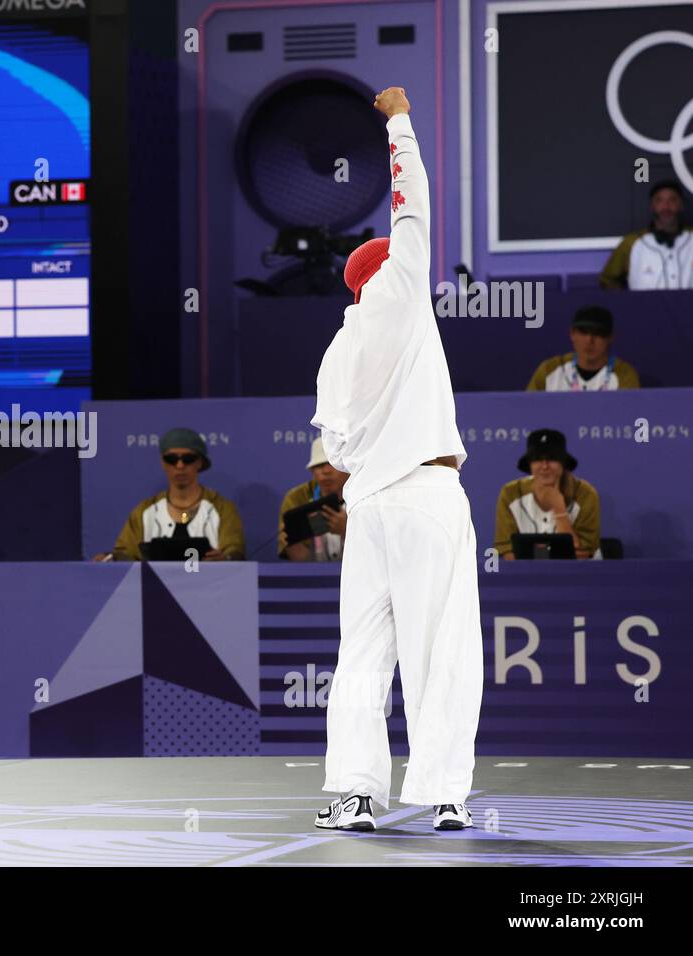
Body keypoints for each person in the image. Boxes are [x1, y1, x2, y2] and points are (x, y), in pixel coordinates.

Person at [310, 87, 481, 832]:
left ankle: (351, 796)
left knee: (362, 654)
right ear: (385, 267)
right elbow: (412, 205)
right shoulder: (405, 288)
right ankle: (443, 795)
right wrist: (401, 120)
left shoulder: (334, 353)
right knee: (441, 645)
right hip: (427, 495)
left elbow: (335, 452)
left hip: (369, 509)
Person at [94, 427, 245, 562]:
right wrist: (111, 558)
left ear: (199, 462)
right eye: (171, 459)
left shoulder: (223, 509)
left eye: (188, 459)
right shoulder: (144, 512)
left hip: (210, 589)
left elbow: (235, 551)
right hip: (154, 591)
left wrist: (226, 559)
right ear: (163, 462)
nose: (180, 465)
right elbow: (126, 554)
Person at [494, 429, 600, 561]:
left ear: (563, 463)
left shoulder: (586, 494)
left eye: (552, 458)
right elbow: (507, 554)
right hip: (526, 577)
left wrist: (559, 510)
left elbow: (583, 556)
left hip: (579, 577)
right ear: (530, 465)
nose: (544, 466)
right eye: (537, 459)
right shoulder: (510, 494)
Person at [599, 180, 693, 290]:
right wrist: (628, 304)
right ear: (652, 206)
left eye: (672, 200)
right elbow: (607, 280)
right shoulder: (631, 243)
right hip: (645, 307)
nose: (666, 207)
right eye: (659, 201)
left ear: (681, 205)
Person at [525, 306, 639, 392]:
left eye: (598, 333)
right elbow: (527, 410)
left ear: (610, 338)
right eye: (583, 332)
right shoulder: (548, 370)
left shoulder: (625, 375)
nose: (589, 340)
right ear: (572, 334)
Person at [277, 438, 349, 561]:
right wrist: (293, 546)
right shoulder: (296, 498)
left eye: (332, 463)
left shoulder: (367, 496)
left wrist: (347, 531)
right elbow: (302, 564)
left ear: (348, 467)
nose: (326, 471)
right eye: (319, 466)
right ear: (312, 471)